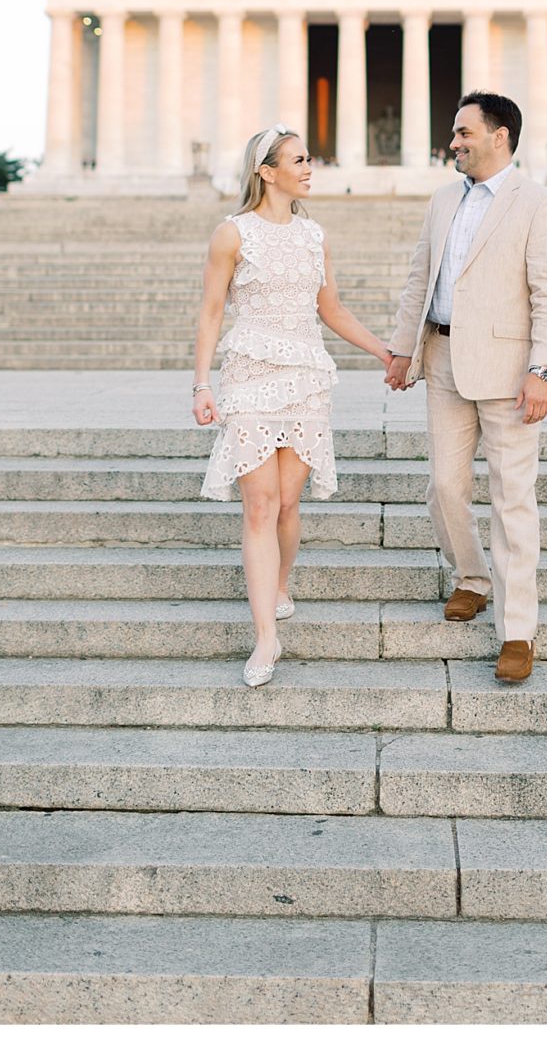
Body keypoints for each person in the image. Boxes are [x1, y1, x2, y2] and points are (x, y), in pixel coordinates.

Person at [193, 125, 396, 687]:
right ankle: (265, 637)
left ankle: (281, 582)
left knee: (286, 502)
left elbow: (332, 309)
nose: (309, 167)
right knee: (258, 504)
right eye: (298, 159)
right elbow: (211, 311)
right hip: (251, 372)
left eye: (309, 159)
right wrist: (201, 384)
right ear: (266, 171)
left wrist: (386, 352)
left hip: (307, 376)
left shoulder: (315, 237)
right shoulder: (231, 235)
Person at [386, 91, 547, 684]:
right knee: (444, 486)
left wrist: (543, 370)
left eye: (464, 132)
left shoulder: (538, 203)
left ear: (500, 136)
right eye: (454, 132)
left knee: (512, 499)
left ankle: (518, 632)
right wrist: (402, 347)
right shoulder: (443, 200)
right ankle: (471, 576)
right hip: (441, 358)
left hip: (509, 371)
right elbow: (421, 277)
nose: (455, 141)